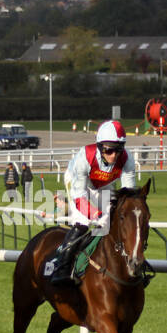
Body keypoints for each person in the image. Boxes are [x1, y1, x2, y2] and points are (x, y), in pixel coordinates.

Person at [49, 119, 137, 286]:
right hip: (78, 183)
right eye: (109, 150)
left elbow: (128, 196)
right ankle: (61, 267)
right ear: (99, 147)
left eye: (118, 150)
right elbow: (79, 195)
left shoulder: (127, 159)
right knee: (83, 222)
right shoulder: (85, 157)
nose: (114, 155)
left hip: (104, 184)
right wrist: (94, 213)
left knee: (107, 223)